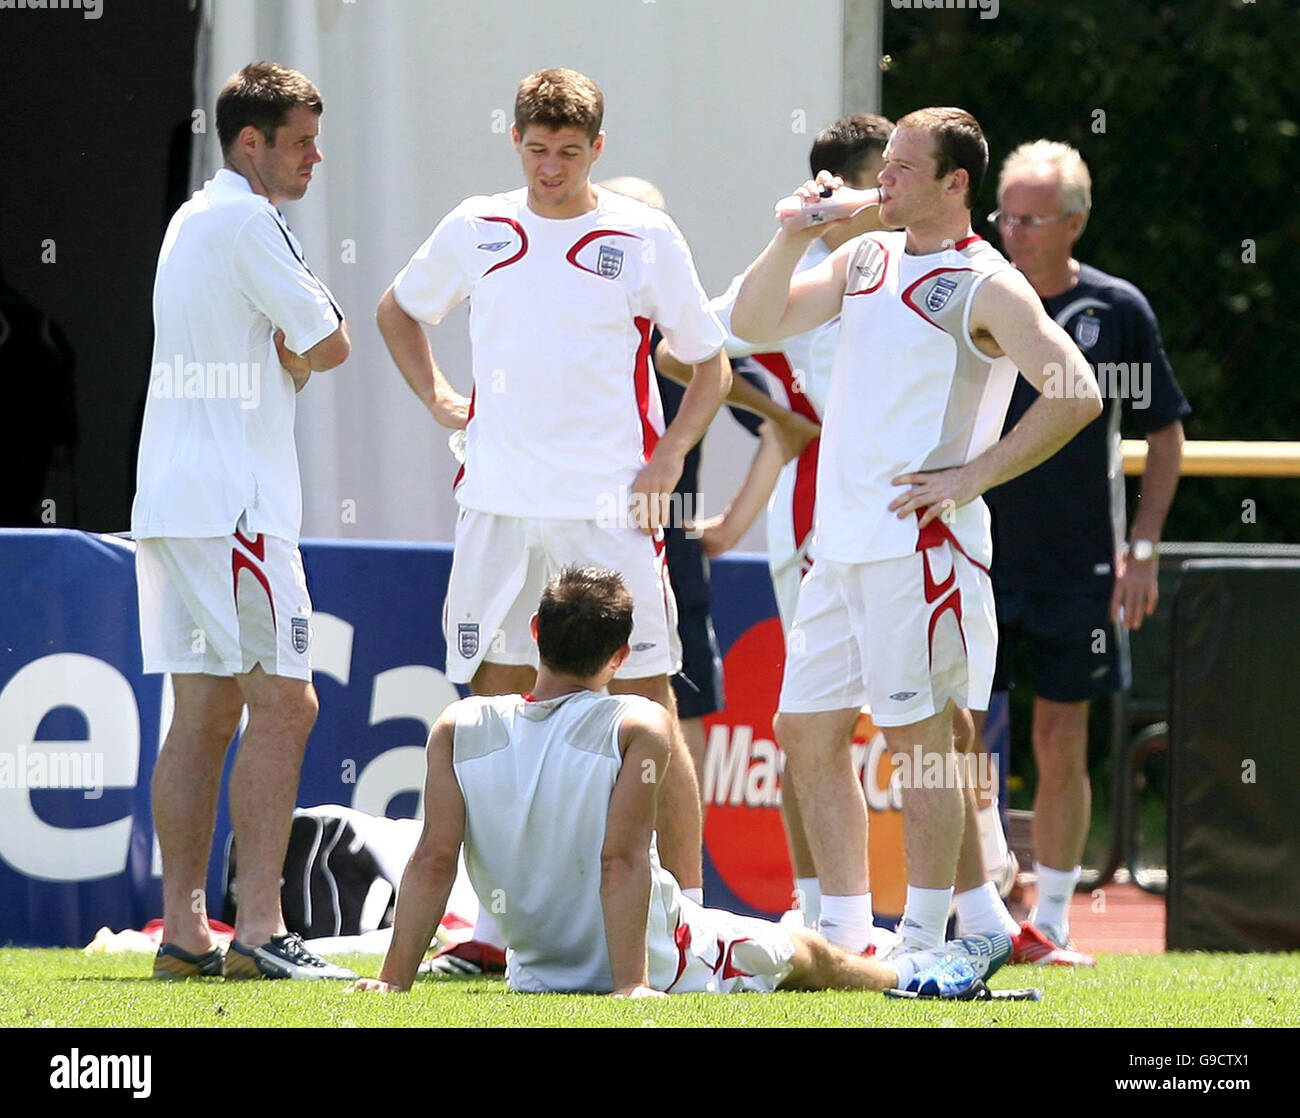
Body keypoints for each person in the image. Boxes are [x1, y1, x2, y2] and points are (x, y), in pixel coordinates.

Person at [730, 107, 1103, 967]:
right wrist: (791, 235)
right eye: (885, 164)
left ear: (953, 182)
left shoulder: (987, 282)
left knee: (925, 747)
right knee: (805, 733)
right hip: (842, 546)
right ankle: (847, 936)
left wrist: (974, 476)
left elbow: (1075, 390)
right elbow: (756, 320)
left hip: (920, 550)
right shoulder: (865, 256)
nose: (881, 180)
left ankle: (933, 939)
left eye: (901, 168)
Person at [377, 70, 728, 972]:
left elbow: (709, 364)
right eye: (536, 149)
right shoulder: (476, 224)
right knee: (493, 703)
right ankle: (496, 931)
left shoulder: (643, 235)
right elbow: (397, 310)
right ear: (516, 142)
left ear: (598, 149)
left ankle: (685, 921)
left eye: (569, 152)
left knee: (647, 701)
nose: (550, 168)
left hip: (607, 510)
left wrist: (670, 456)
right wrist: (441, 398)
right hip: (496, 503)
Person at [348, 566, 1010, 999]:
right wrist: (633, 987)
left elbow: (433, 859)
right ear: (618, 658)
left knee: (801, 942)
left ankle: (915, 963)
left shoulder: (457, 725)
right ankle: (919, 974)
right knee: (814, 955)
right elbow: (623, 858)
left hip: (537, 972)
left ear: (534, 634)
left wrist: (392, 983)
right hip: (671, 959)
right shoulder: (637, 722)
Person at [132, 61, 353, 980]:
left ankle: (185, 934)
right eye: (299, 141)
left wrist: (282, 356)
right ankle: (261, 929)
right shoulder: (251, 219)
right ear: (249, 142)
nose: (314, 157)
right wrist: (293, 363)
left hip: (174, 501)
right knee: (285, 700)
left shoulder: (191, 217)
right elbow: (332, 339)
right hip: (237, 508)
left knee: (203, 707)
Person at [979, 140, 1190, 949]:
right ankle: (983, 896)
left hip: (1077, 565)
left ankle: (1055, 921)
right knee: (957, 731)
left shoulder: (1118, 309)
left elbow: (1164, 435)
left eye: (1032, 218)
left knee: (1060, 733)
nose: (1014, 231)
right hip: (973, 553)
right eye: (1007, 214)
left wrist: (1143, 548)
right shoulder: (968, 291)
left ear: (1074, 222)